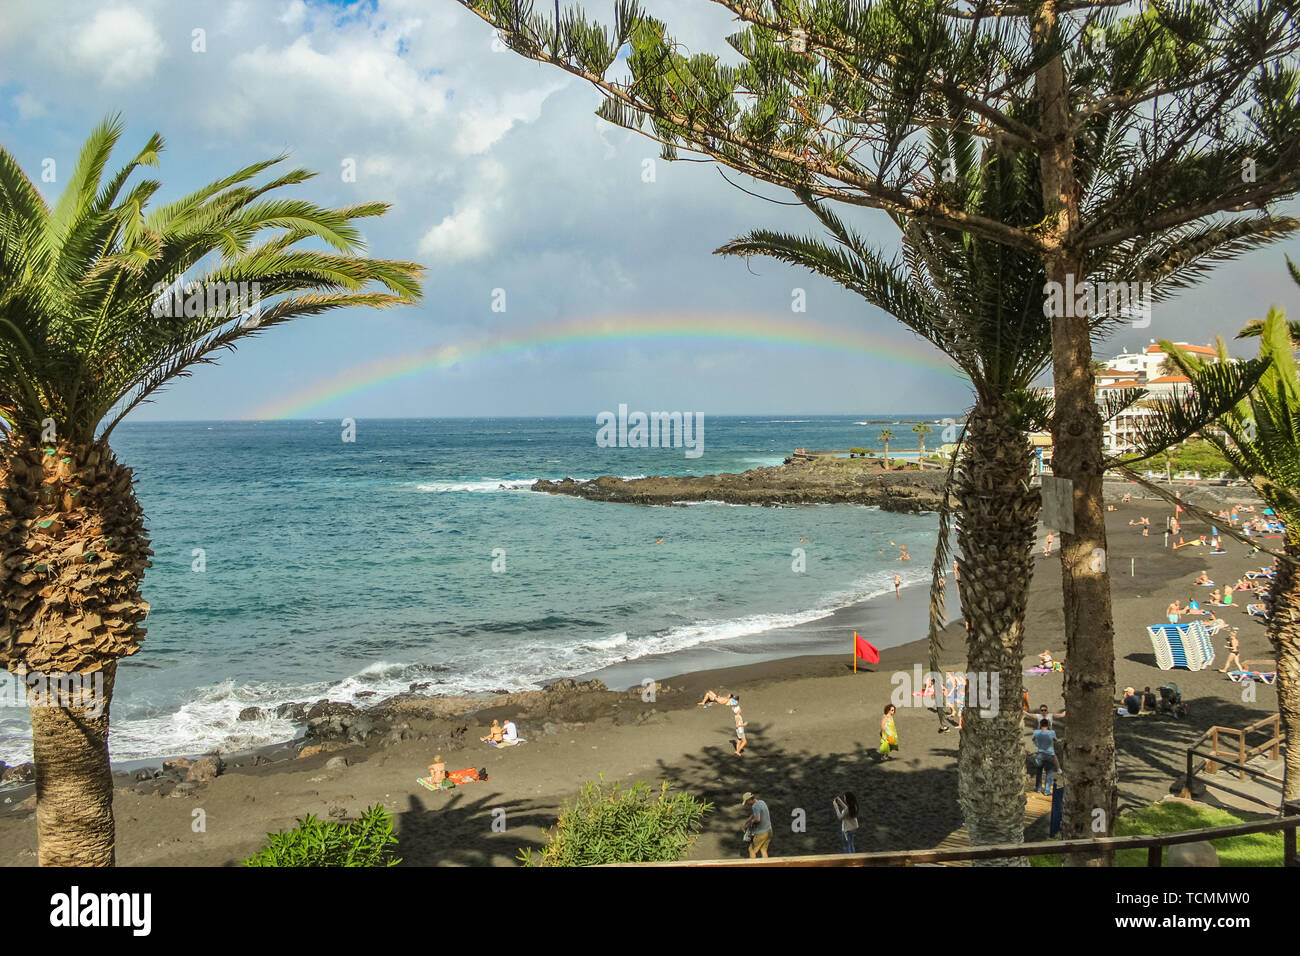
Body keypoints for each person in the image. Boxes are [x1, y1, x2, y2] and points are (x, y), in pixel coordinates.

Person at [742, 792, 773, 858]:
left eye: (747, 802)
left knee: (751, 850)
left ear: (750, 799)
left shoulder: (755, 806)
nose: (747, 804)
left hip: (761, 833)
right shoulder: (762, 802)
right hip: (769, 831)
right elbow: (754, 814)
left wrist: (750, 824)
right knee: (763, 850)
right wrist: (746, 822)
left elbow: (758, 819)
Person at [1032, 719, 1059, 794]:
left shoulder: (1036, 732)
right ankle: (1047, 791)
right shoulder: (1052, 732)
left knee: (1039, 772)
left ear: (1040, 725)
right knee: (1049, 773)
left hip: (1040, 754)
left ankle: (1038, 789)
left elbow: (1033, 739)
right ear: (1048, 725)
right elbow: (1055, 740)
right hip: (1049, 754)